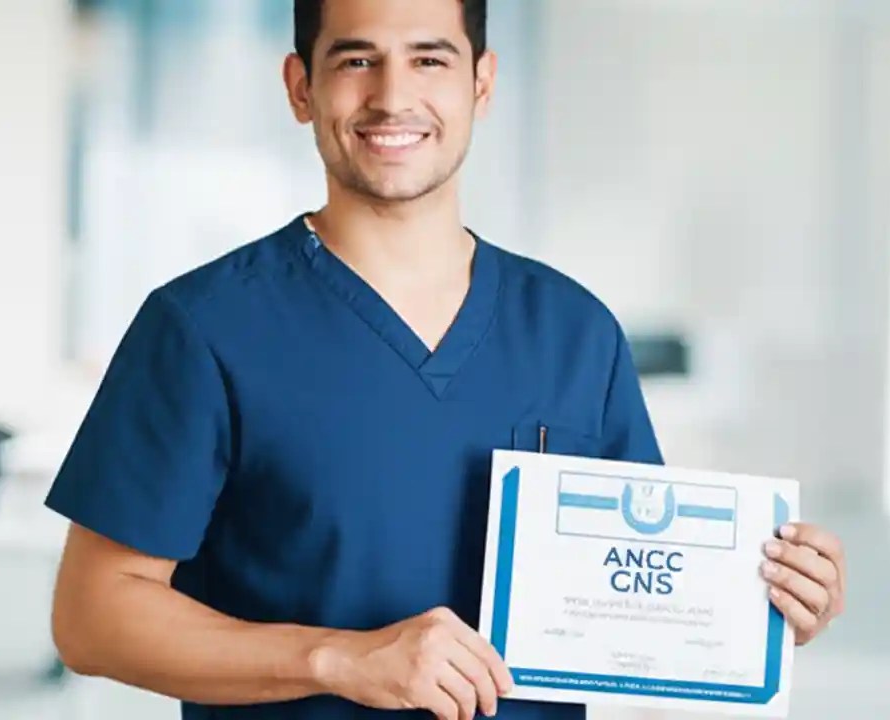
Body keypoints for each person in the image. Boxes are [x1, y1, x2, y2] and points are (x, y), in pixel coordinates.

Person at [44, 1, 848, 719]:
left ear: (481, 83)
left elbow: (641, 606)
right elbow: (92, 618)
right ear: (300, 87)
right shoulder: (203, 328)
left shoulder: (575, 332)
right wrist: (340, 659)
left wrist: (768, 602)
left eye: (429, 58)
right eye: (356, 59)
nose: (393, 95)